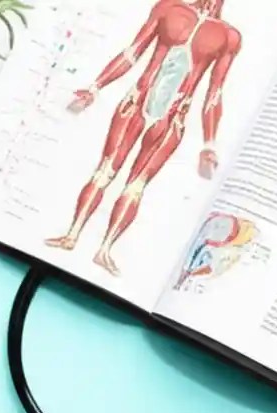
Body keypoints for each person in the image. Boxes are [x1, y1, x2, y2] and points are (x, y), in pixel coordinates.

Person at [45, 0, 241, 276]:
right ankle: (72, 235)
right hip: (136, 103)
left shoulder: (228, 36)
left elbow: (214, 92)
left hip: (171, 119)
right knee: (104, 172)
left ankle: (104, 249)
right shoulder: (169, 8)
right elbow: (133, 52)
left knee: (135, 186)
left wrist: (209, 142)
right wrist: (95, 87)